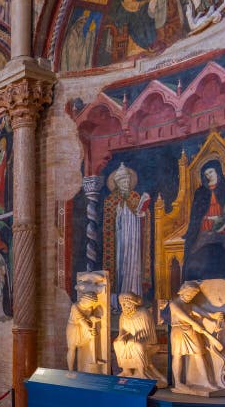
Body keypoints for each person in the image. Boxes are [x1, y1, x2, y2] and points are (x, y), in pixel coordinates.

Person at [103, 163, 151, 298]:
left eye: (128, 181)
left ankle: (135, 295)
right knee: (121, 267)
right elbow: (109, 224)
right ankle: (119, 296)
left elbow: (144, 214)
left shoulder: (136, 197)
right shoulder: (111, 200)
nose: (126, 183)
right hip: (120, 239)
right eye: (123, 181)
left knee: (134, 267)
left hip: (135, 238)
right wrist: (118, 215)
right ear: (117, 183)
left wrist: (143, 215)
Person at [169, 281, 225, 392]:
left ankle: (207, 382)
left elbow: (205, 313)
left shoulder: (191, 305)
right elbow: (183, 316)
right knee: (178, 355)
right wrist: (196, 324)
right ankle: (178, 383)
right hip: (178, 331)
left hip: (191, 330)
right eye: (189, 294)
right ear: (182, 292)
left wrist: (215, 315)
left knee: (199, 354)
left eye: (193, 296)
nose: (190, 297)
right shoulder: (174, 304)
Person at [183, 162, 225, 280]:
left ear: (218, 170)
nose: (209, 175)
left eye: (211, 172)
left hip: (224, 229)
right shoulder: (201, 192)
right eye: (206, 173)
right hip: (205, 229)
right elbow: (195, 216)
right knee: (195, 255)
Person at [112, 292, 166, 382]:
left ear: (134, 303)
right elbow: (122, 330)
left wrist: (136, 337)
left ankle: (141, 372)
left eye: (127, 303)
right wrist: (121, 337)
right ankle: (126, 370)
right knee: (117, 343)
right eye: (123, 304)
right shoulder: (122, 316)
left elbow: (146, 331)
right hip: (130, 338)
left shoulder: (143, 312)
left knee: (137, 345)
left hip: (145, 338)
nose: (125, 306)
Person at [66, 292, 100, 372]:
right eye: (90, 302)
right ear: (85, 300)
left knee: (93, 335)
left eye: (92, 303)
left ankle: (93, 360)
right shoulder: (75, 306)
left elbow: (88, 316)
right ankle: (70, 370)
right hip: (73, 328)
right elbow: (81, 319)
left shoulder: (89, 307)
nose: (91, 305)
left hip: (84, 328)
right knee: (72, 348)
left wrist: (93, 318)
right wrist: (89, 329)